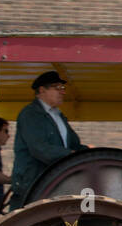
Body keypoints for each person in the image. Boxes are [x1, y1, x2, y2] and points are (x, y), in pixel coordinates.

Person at [9, 71, 86, 209]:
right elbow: (39, 148)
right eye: (57, 88)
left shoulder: (59, 116)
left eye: (63, 88)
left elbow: (75, 144)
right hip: (32, 185)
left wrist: (90, 153)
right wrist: (71, 156)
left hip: (54, 184)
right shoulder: (30, 114)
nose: (62, 92)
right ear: (42, 90)